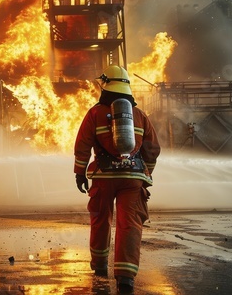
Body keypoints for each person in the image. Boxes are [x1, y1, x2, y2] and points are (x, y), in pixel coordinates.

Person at [73, 65, 161, 293]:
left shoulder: (95, 113)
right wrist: (146, 172)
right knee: (129, 224)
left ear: (106, 85)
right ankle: (126, 276)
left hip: (103, 176)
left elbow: (82, 144)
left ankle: (100, 264)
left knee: (101, 219)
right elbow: (152, 149)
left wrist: (79, 172)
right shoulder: (140, 116)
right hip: (133, 178)